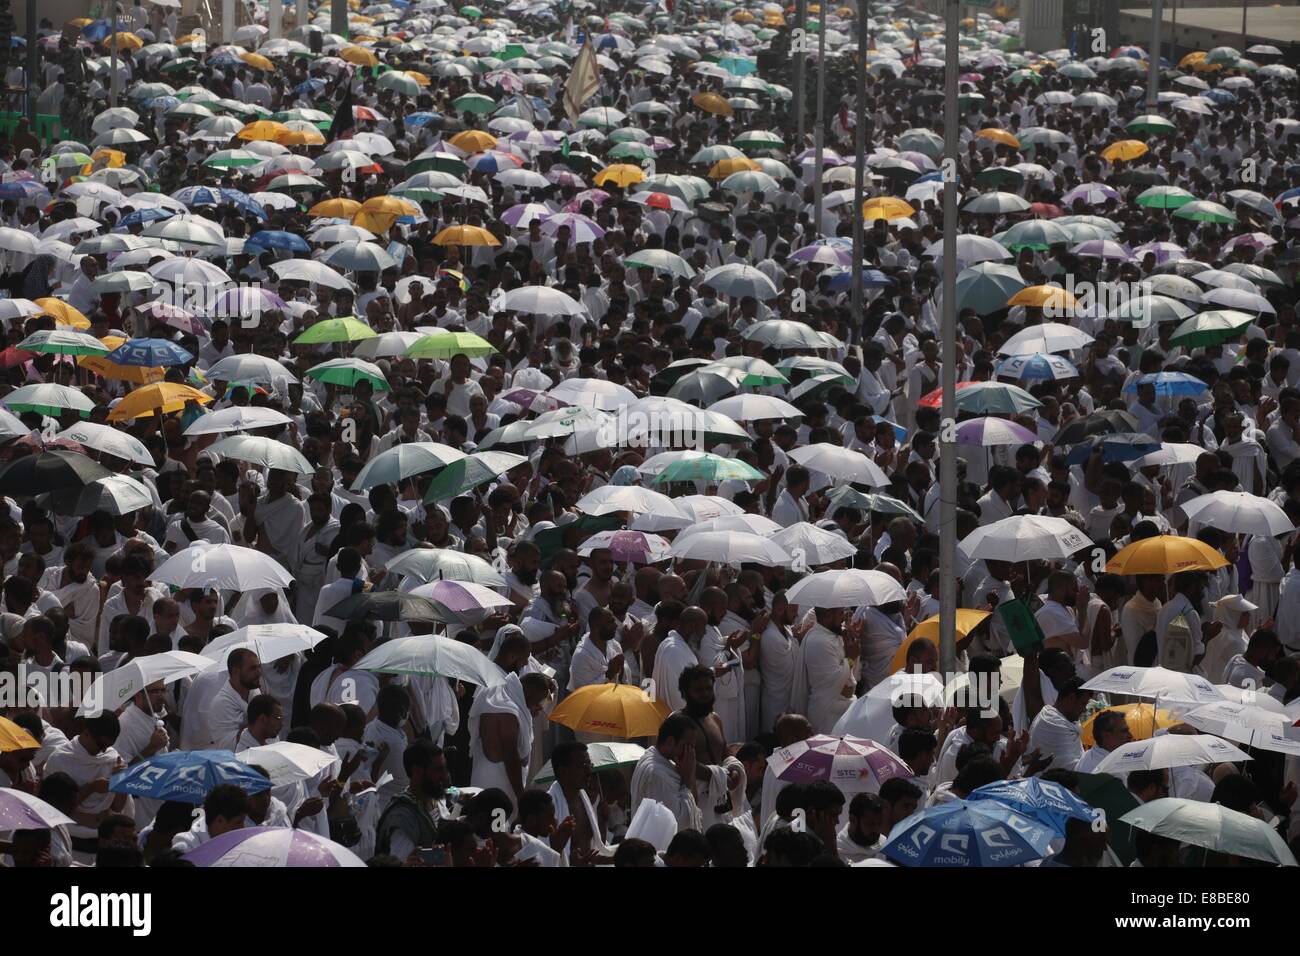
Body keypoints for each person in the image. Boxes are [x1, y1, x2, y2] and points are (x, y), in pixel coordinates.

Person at [629, 712, 703, 834]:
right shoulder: (657, 774)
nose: (690, 752)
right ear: (670, 742)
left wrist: (690, 772)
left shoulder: (656, 760)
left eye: (692, 747)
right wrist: (686, 780)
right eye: (687, 746)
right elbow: (678, 823)